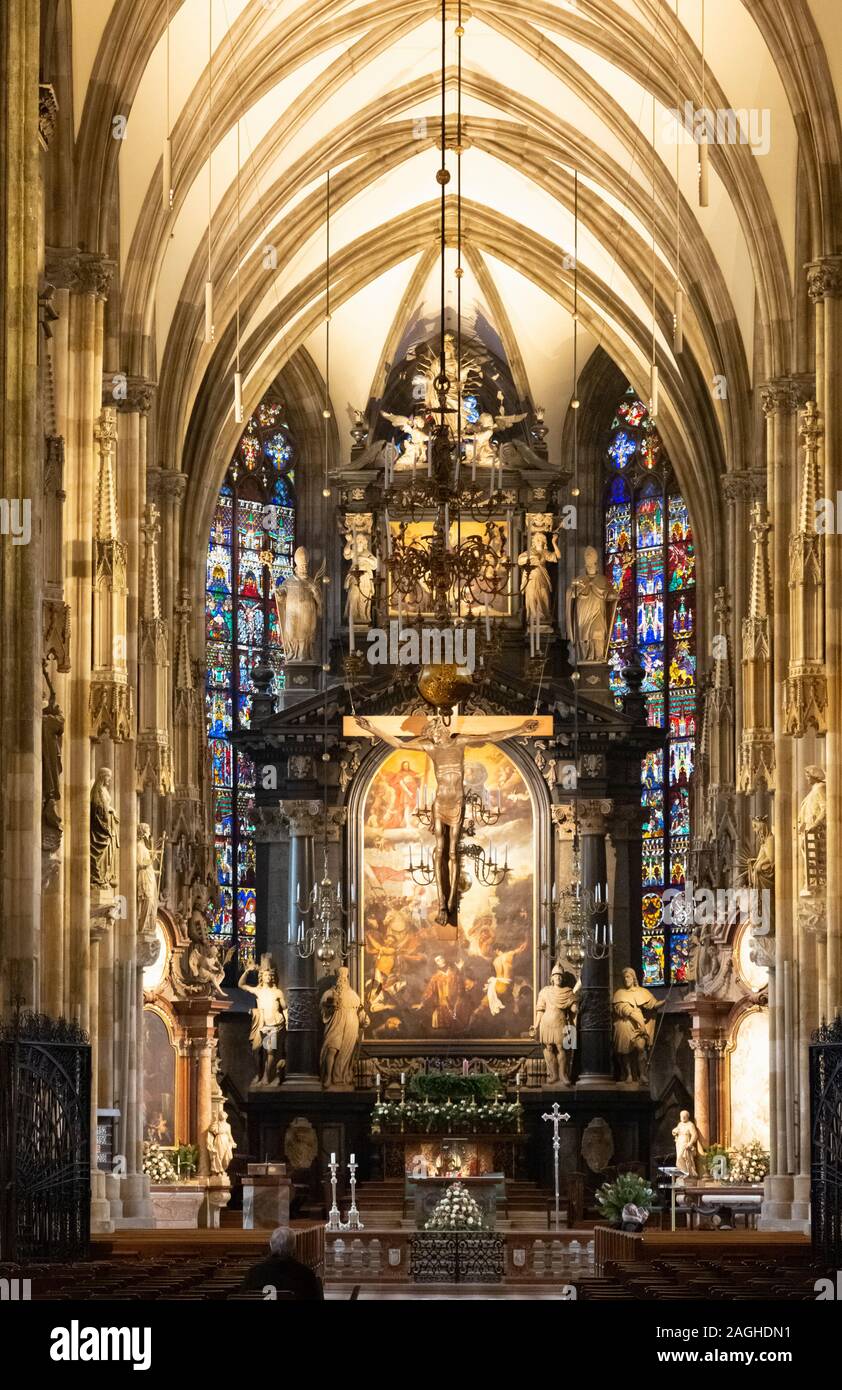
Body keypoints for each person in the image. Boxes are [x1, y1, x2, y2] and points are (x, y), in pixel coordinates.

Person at [356, 712, 538, 924]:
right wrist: (371, 728)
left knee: (453, 853)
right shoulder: (431, 748)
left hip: (457, 804)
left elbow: (490, 736)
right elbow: (398, 744)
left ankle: (451, 902)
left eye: (437, 729)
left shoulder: (460, 742)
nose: (437, 733)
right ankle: (442, 904)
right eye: (433, 731)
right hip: (440, 804)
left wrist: (521, 730)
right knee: (440, 851)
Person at [239, 1226, 324, 1300]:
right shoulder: (306, 1274)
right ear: (293, 1247)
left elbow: (243, 1296)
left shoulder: (254, 1273)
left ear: (271, 1245)